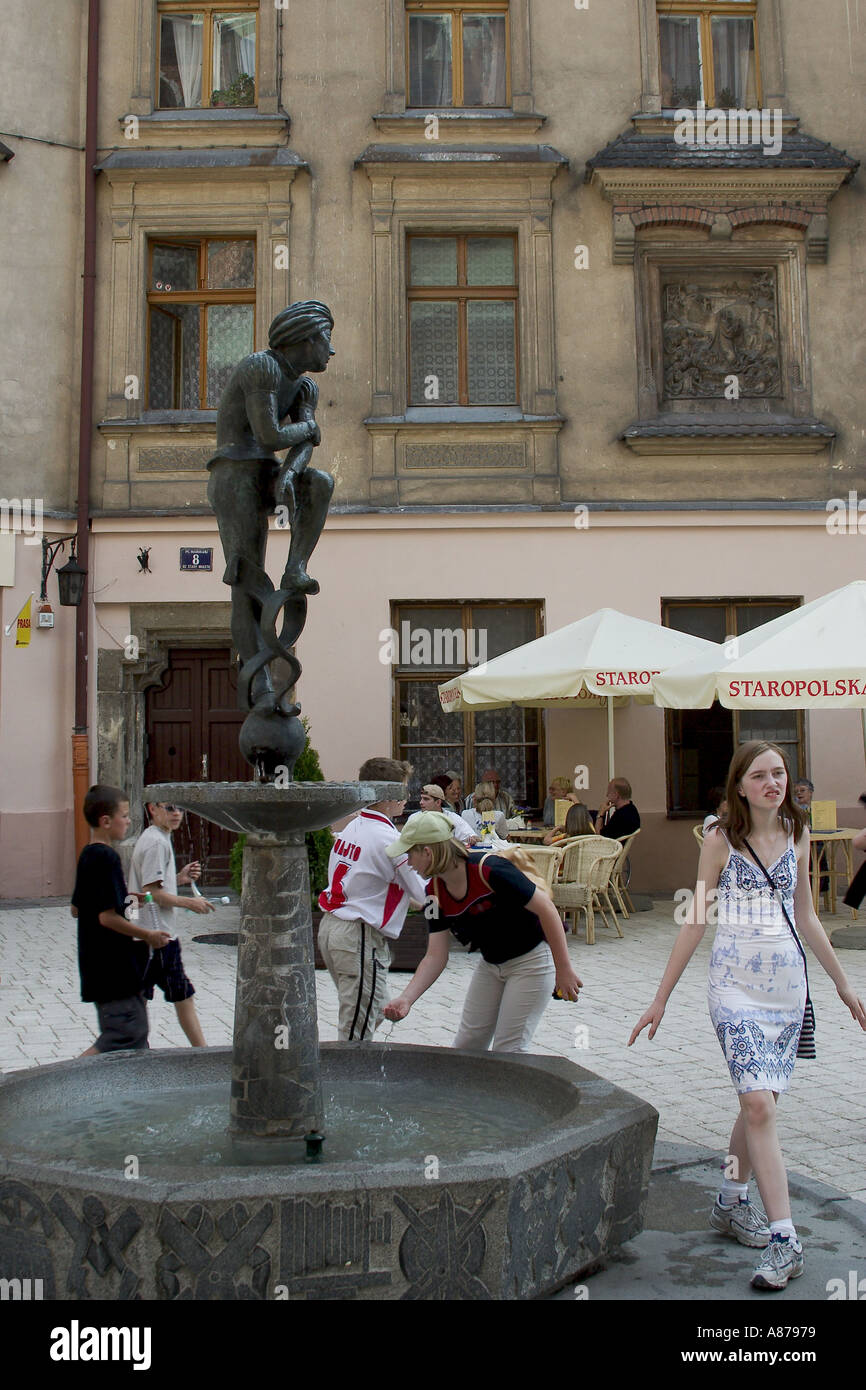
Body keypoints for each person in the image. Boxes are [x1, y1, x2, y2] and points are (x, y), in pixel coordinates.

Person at [629, 741, 866, 1291]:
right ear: (739, 786)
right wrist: (660, 996)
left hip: (788, 990)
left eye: (779, 773)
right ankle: (786, 1239)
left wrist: (843, 984)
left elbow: (807, 916)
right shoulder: (720, 839)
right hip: (733, 990)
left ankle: (731, 1202)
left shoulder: (798, 833)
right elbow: (694, 920)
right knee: (758, 1103)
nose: (772, 783)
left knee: (757, 1104)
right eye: (760, 775)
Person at [207, 302, 335, 713]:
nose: (330, 351)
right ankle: (261, 683)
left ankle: (295, 567)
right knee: (247, 588)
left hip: (267, 473)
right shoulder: (260, 367)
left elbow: (301, 446)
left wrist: (289, 474)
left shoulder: (305, 386)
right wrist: (307, 431)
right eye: (326, 339)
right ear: (306, 338)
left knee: (320, 483)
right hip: (234, 474)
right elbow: (269, 433)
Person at [383, 812, 583, 1051]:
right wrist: (407, 998)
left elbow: (547, 909)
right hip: (490, 966)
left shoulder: (490, 869)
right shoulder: (433, 894)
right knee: (467, 1045)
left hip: (530, 962)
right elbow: (435, 955)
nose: (408, 862)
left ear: (427, 852)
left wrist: (564, 969)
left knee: (509, 1049)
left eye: (409, 853)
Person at [317, 757, 428, 1041]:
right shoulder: (389, 840)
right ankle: (344, 1080)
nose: (407, 798)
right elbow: (421, 893)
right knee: (356, 1029)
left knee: (373, 1010)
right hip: (359, 936)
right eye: (403, 791)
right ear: (388, 796)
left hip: (333, 929)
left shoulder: (353, 826)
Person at [70, 784, 170, 1056]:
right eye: (124, 815)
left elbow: (78, 909)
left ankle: (130, 1094)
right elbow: (106, 918)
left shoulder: (88, 855)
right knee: (122, 1035)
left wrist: (126, 898)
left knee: (135, 1037)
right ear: (106, 821)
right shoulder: (106, 857)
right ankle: (68, 1082)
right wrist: (148, 935)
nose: (128, 821)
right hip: (113, 969)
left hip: (100, 968)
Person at [128, 801, 216, 1048]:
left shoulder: (156, 837)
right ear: (152, 809)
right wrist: (190, 902)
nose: (176, 813)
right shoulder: (156, 842)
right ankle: (203, 1053)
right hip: (156, 935)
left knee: (144, 995)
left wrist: (179, 878)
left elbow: (150, 887)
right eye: (169, 807)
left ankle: (137, 1049)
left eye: (180, 808)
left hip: (146, 933)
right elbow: (151, 893)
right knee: (182, 993)